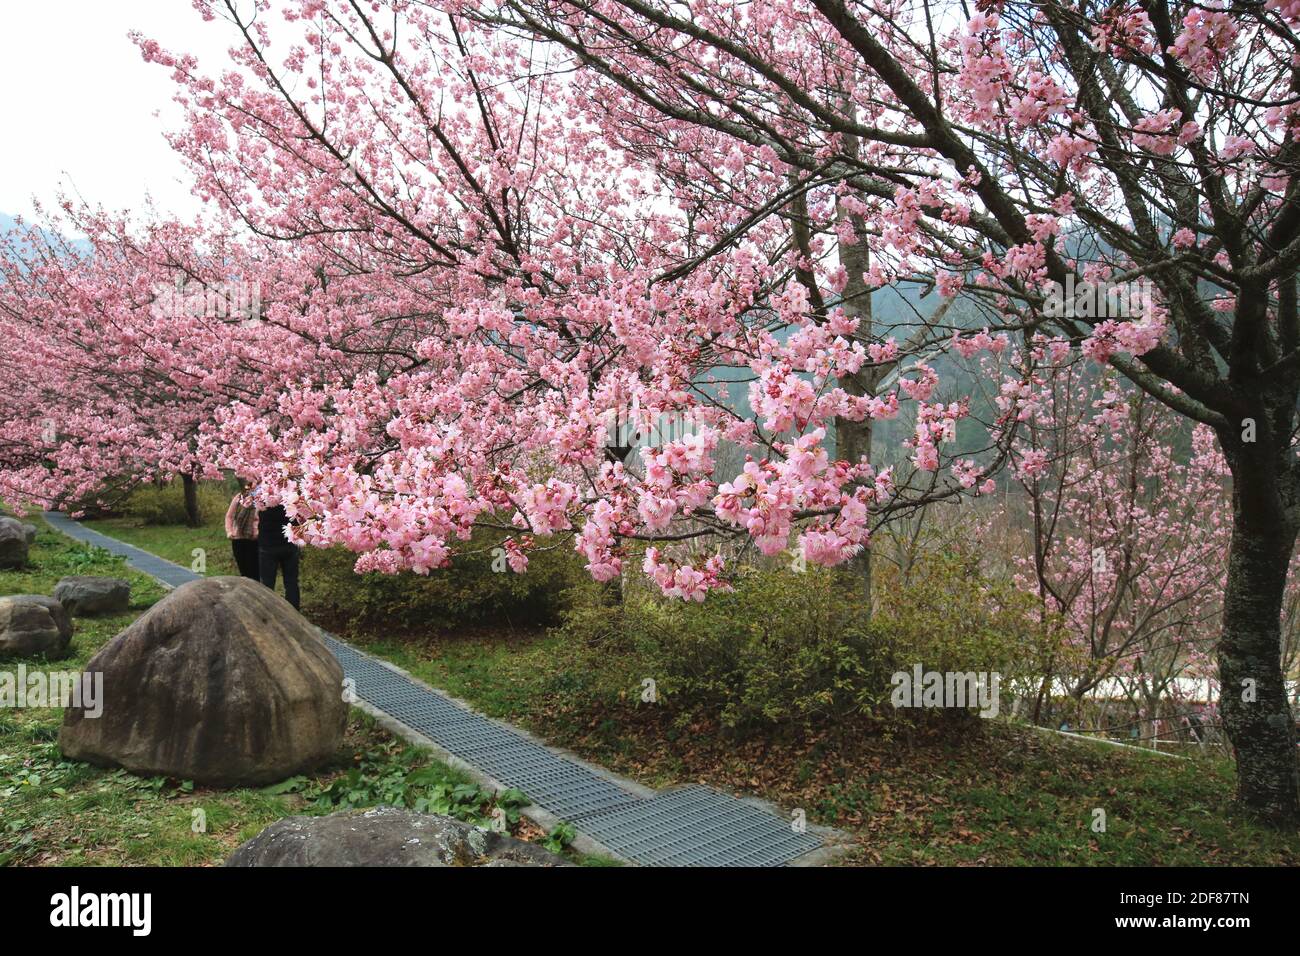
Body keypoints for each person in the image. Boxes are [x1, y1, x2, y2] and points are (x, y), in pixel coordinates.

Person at [257, 502, 301, 609]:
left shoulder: (263, 498)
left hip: (268, 546)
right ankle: (294, 613)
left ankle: (266, 612)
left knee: (267, 583)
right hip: (289, 545)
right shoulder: (289, 497)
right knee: (291, 582)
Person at [224, 484, 260, 580]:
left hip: (254, 539)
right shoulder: (239, 498)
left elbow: (263, 520)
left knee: (255, 572)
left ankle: (254, 593)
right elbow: (229, 516)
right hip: (238, 539)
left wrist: (258, 532)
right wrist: (229, 531)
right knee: (243, 572)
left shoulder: (261, 500)